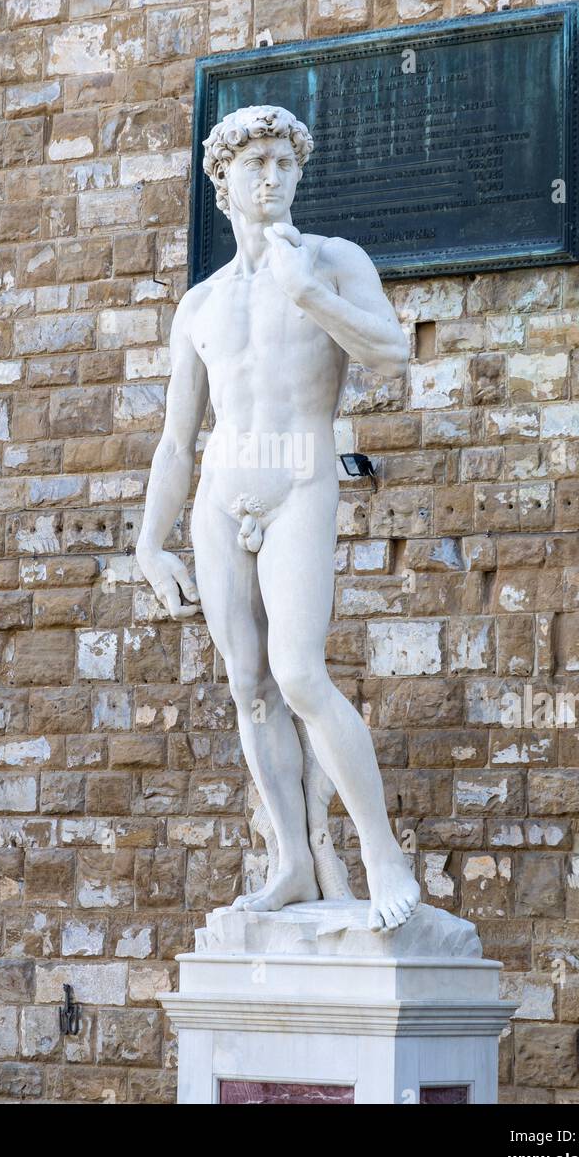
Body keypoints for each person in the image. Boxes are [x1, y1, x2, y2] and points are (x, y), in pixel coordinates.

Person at [136, 105, 420, 931]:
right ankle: (292, 860)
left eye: (284, 162)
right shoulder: (200, 304)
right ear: (222, 182)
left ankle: (381, 852)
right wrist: (150, 543)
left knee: (297, 673)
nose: (272, 175)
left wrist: (309, 296)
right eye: (254, 162)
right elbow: (177, 439)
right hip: (221, 497)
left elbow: (391, 353)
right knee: (250, 688)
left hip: (299, 480)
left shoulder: (331, 261)